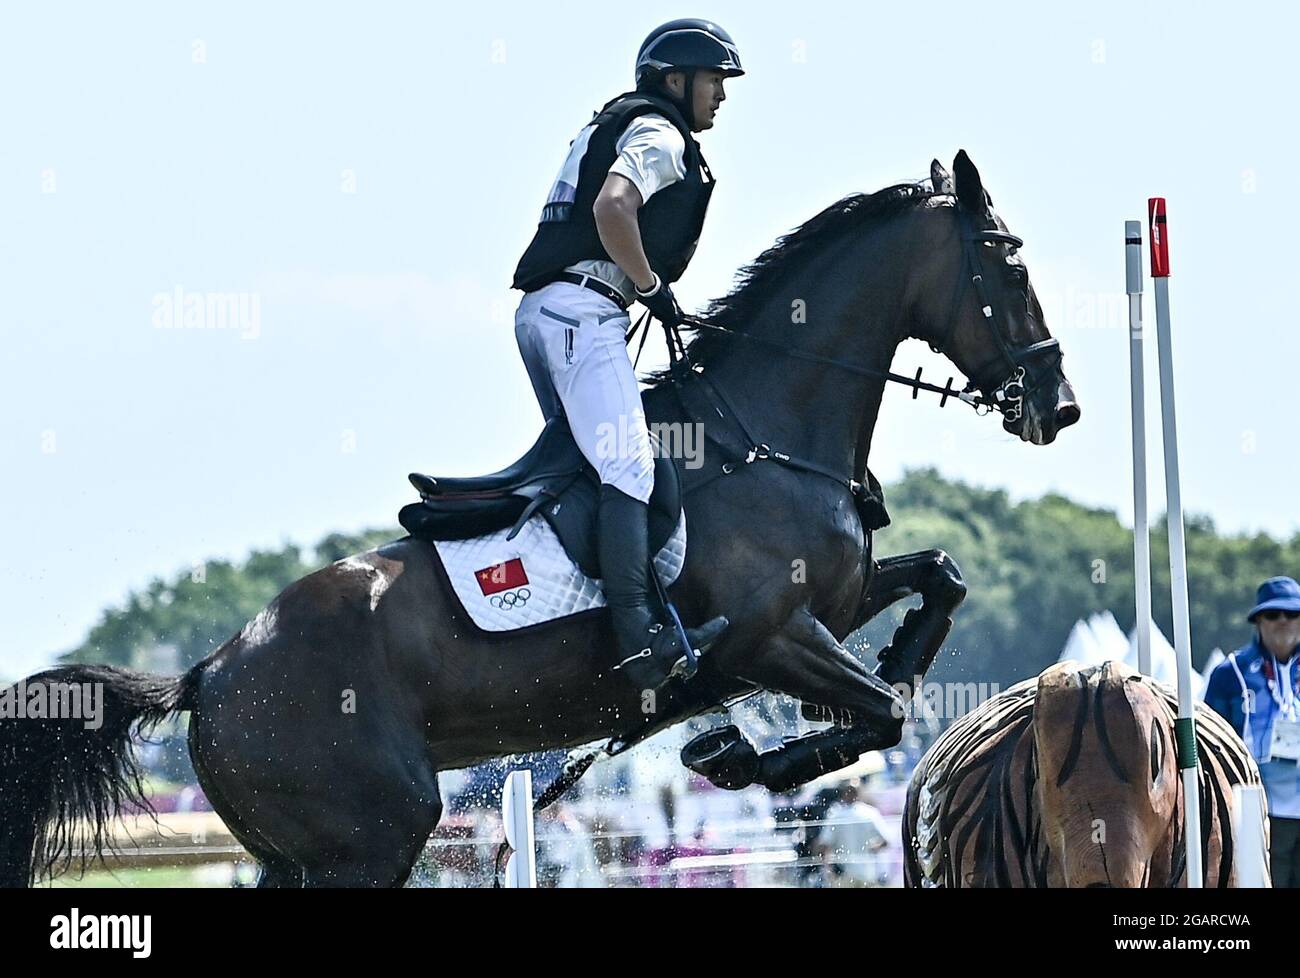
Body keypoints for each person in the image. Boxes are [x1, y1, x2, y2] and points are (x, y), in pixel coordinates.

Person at [511, 20, 743, 692]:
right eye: (714, 79)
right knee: (627, 464)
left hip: (549, 311)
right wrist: (649, 286)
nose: (722, 95)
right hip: (584, 308)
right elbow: (616, 208)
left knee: (594, 469)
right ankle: (638, 640)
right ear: (676, 80)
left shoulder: (619, 120)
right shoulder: (660, 133)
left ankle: (588, 617)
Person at [1204, 576, 1300, 887]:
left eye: (1292, 614)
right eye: (1273, 615)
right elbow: (1209, 745)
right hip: (1254, 810)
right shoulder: (1230, 673)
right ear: (1258, 620)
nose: (1283, 621)